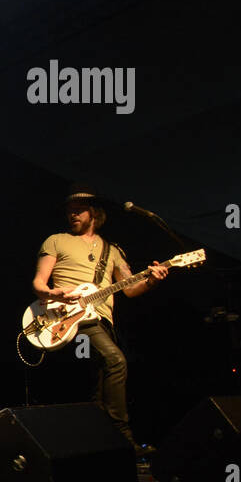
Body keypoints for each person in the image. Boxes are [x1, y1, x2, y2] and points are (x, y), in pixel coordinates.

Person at [31, 187, 168, 455]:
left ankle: (103, 444)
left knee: (100, 384)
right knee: (116, 361)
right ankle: (123, 436)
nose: (72, 215)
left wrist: (151, 280)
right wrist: (51, 292)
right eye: (69, 211)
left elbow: (129, 289)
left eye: (78, 210)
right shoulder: (56, 240)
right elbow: (38, 282)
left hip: (102, 320)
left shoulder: (113, 250)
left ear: (94, 213)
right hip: (69, 318)